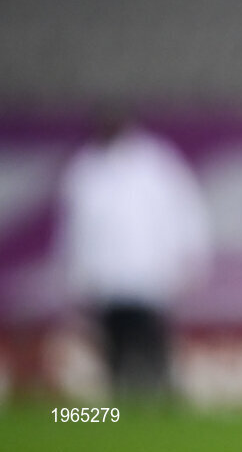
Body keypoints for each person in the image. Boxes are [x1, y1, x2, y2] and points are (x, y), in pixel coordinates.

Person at [56, 110, 212, 398]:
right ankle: (120, 407)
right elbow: (74, 229)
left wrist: (189, 258)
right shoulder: (85, 168)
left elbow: (186, 211)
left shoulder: (155, 162)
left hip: (147, 273)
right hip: (105, 279)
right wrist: (76, 276)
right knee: (114, 347)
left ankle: (163, 400)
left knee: (152, 344)